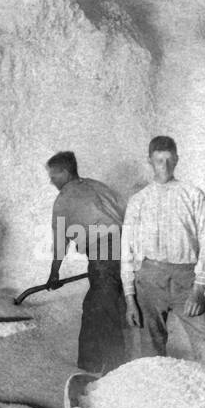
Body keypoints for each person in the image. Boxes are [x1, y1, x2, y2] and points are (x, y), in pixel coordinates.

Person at [121, 135, 205, 372]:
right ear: (150, 161)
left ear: (177, 159)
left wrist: (199, 289)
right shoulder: (138, 200)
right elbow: (126, 250)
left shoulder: (193, 194)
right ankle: (155, 403)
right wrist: (129, 299)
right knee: (149, 353)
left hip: (185, 281)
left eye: (169, 160)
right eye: (159, 161)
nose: (164, 166)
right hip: (149, 281)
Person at [44, 151, 128, 375]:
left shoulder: (64, 199)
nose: (51, 181)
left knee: (104, 307)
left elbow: (60, 241)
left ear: (64, 172)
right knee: (96, 305)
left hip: (104, 253)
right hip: (125, 250)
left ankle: (116, 370)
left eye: (53, 175)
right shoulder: (99, 187)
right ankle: (89, 366)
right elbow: (125, 213)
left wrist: (54, 274)